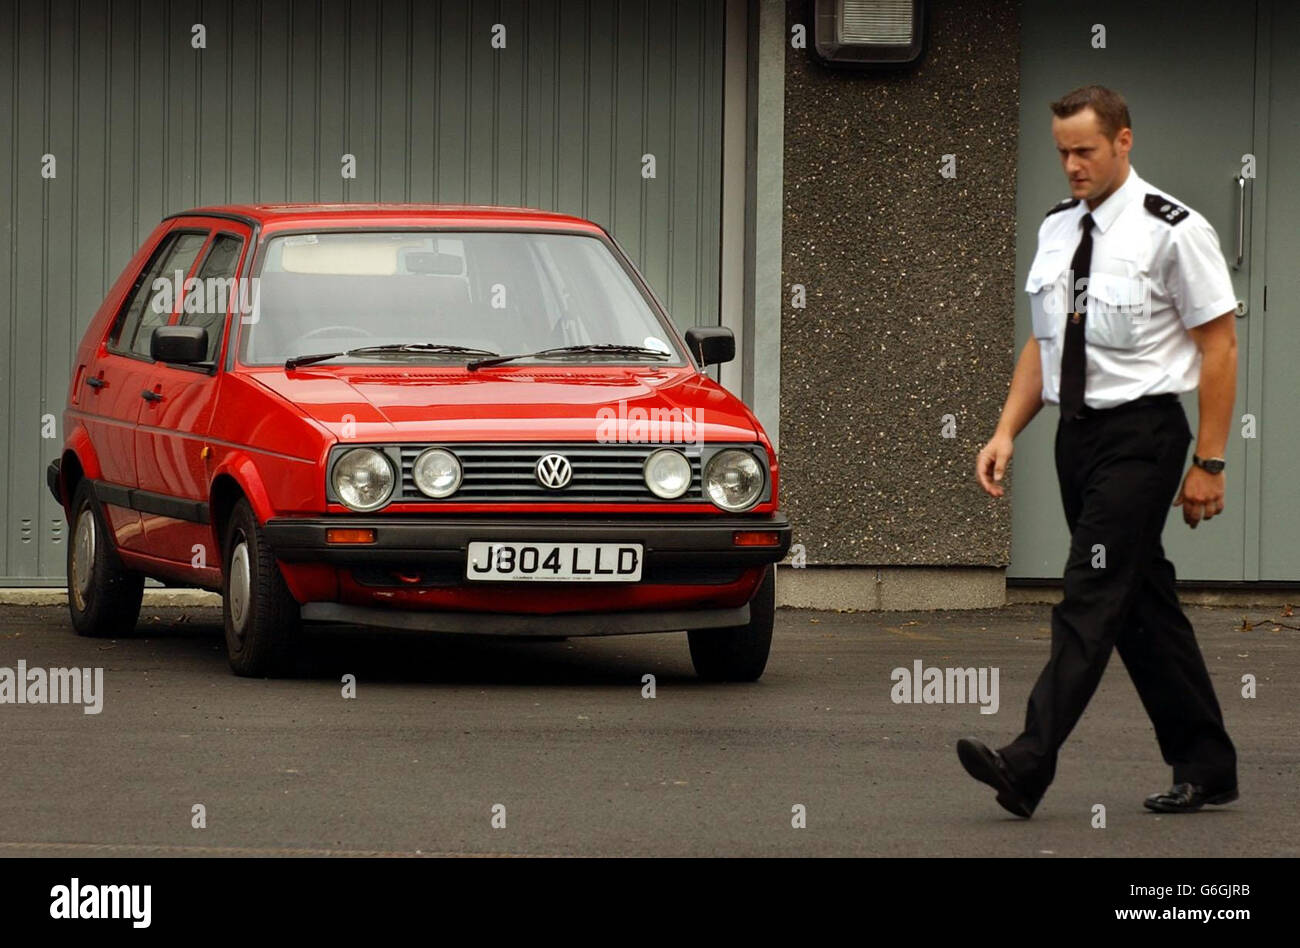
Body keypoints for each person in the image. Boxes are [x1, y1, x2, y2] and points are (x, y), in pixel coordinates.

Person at [960, 85, 1239, 817]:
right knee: (1142, 605)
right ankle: (1207, 764)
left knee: (1090, 594)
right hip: (1076, 437)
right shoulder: (1059, 228)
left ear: (1124, 141)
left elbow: (1220, 345)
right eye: (1062, 153)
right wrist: (1005, 430)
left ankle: (1027, 763)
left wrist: (1209, 463)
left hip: (1143, 437)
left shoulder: (1171, 230)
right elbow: (1044, 342)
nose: (1072, 166)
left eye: (1085, 150)